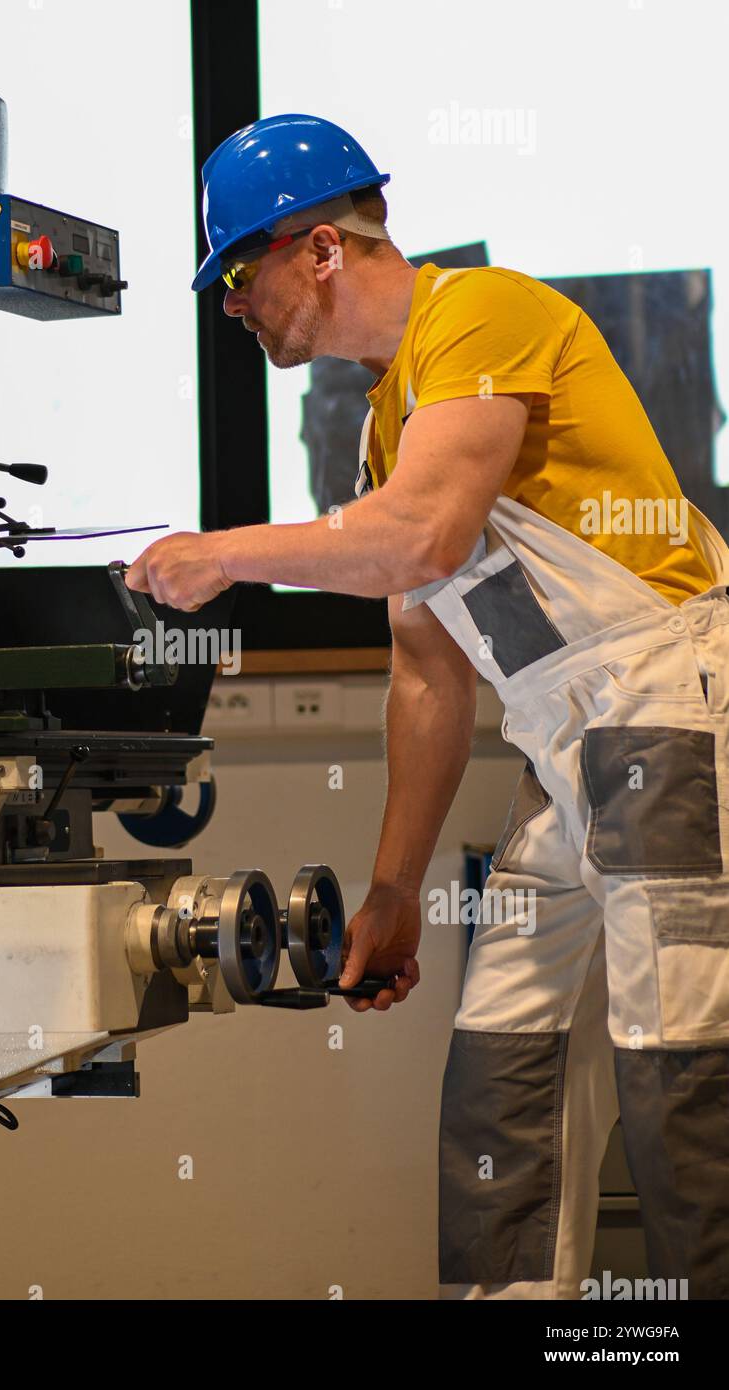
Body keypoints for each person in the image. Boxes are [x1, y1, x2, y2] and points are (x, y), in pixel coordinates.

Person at [125, 113, 729, 1299]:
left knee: (681, 1066)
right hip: (567, 743)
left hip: (667, 707)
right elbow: (427, 670)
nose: (230, 307)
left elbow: (421, 538)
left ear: (315, 249)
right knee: (501, 1054)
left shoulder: (481, 316)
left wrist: (222, 554)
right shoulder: (385, 422)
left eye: (236, 275)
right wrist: (394, 890)